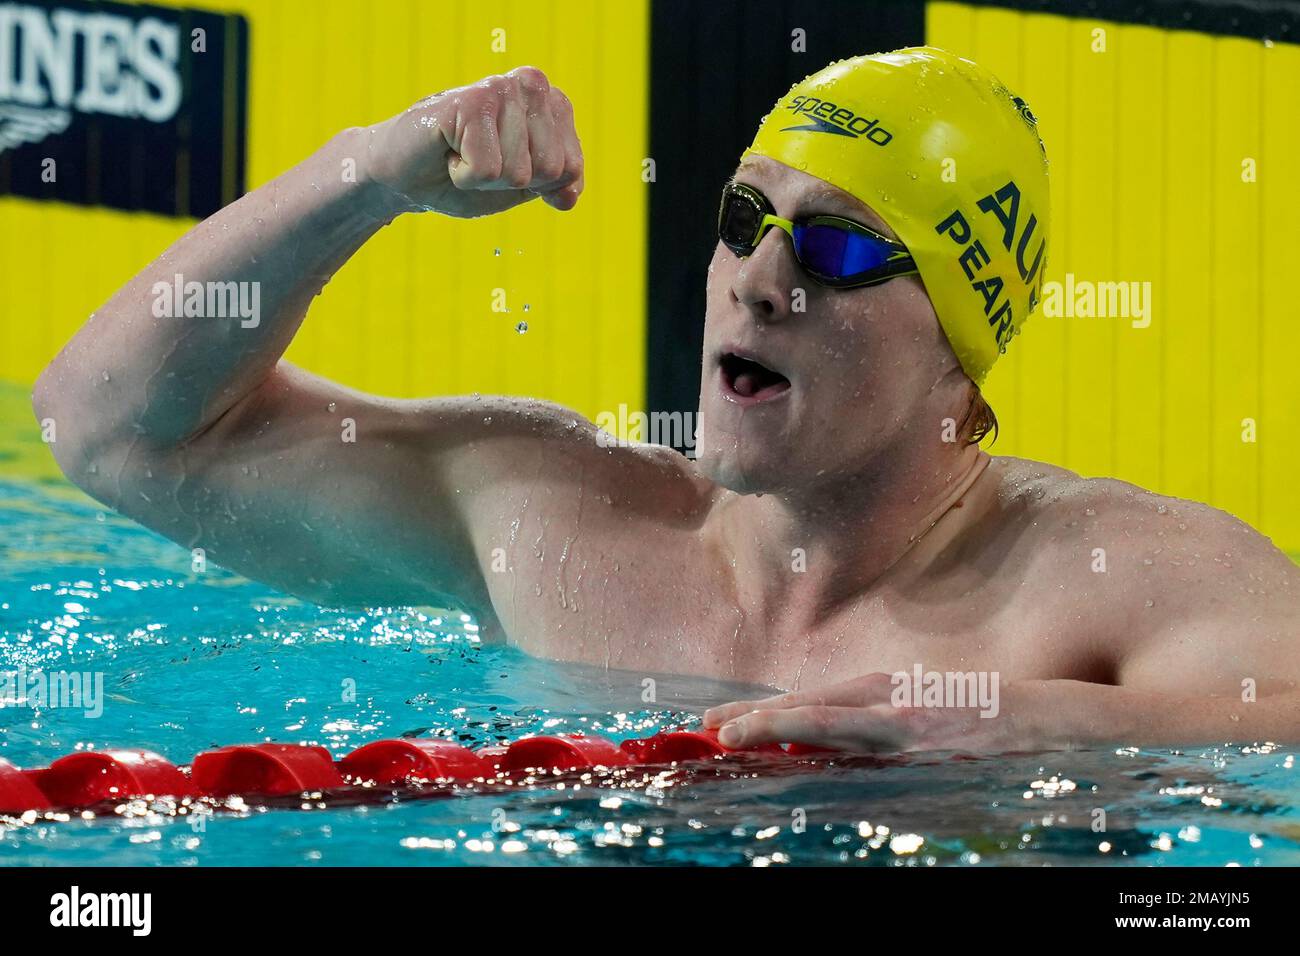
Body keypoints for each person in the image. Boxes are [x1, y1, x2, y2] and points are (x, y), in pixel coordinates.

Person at [33, 49, 1299, 754]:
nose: (758, 278)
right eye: (744, 217)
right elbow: (102, 431)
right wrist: (373, 173)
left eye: (841, 248)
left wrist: (1040, 725)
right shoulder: (550, 517)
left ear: (965, 355)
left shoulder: (1097, 575)